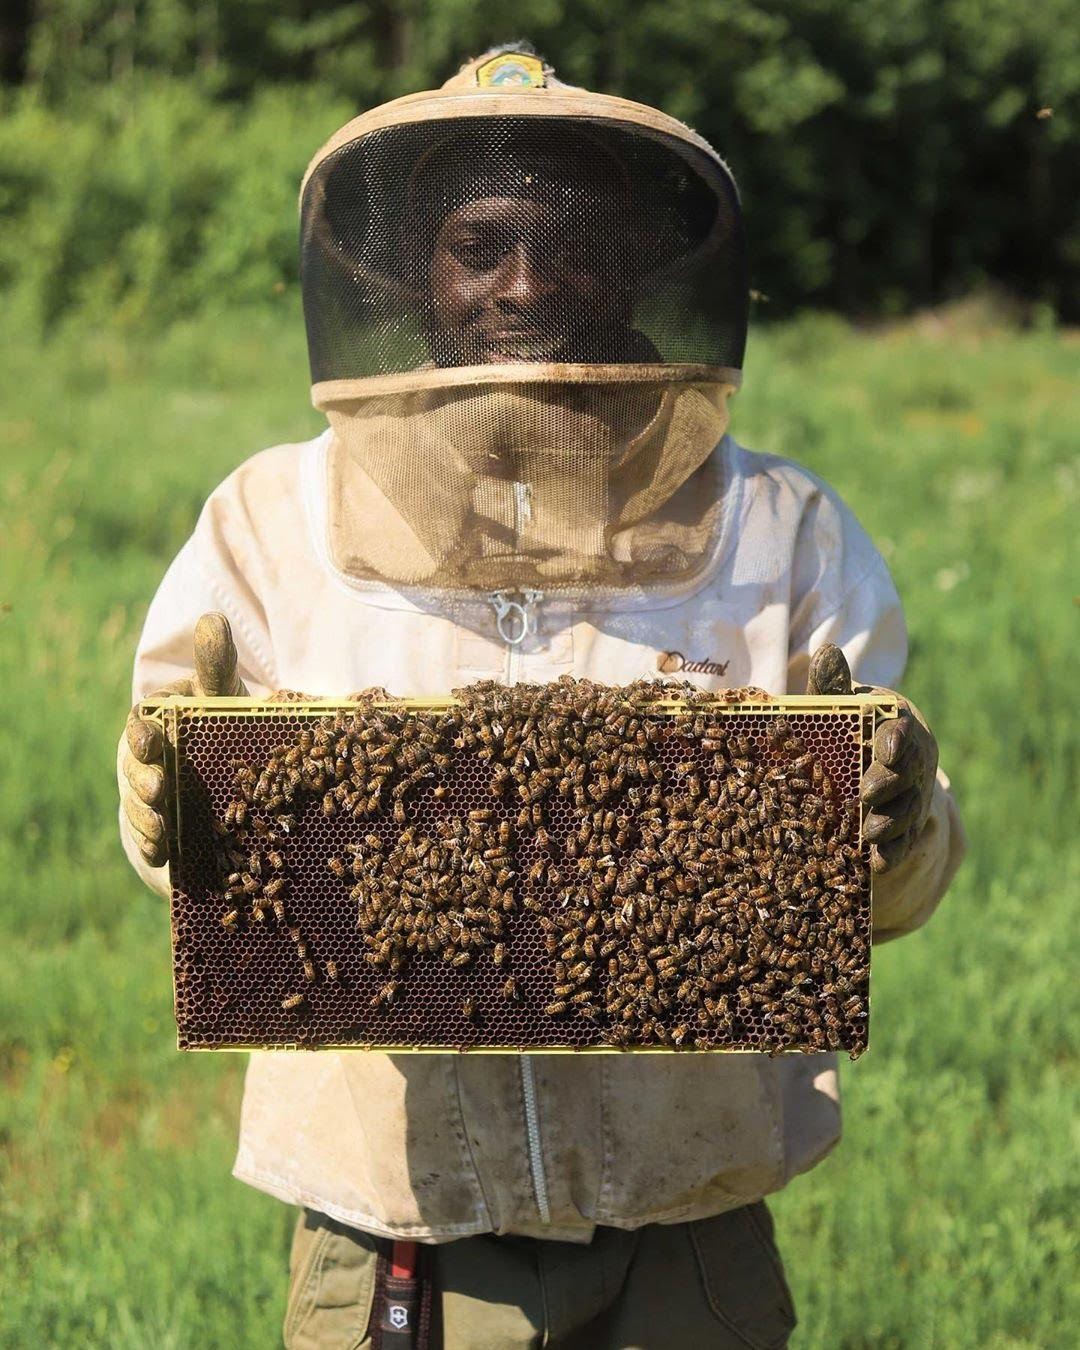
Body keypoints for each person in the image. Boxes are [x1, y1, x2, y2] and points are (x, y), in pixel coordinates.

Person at [118, 44, 966, 1349]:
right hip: (397, 1218)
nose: (527, 282)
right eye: (481, 244)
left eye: (570, 241)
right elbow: (176, 836)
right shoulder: (268, 520)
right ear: (412, 269)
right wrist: (167, 790)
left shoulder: (778, 527)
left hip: (688, 1219)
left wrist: (897, 817)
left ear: (637, 263)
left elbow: (895, 888)